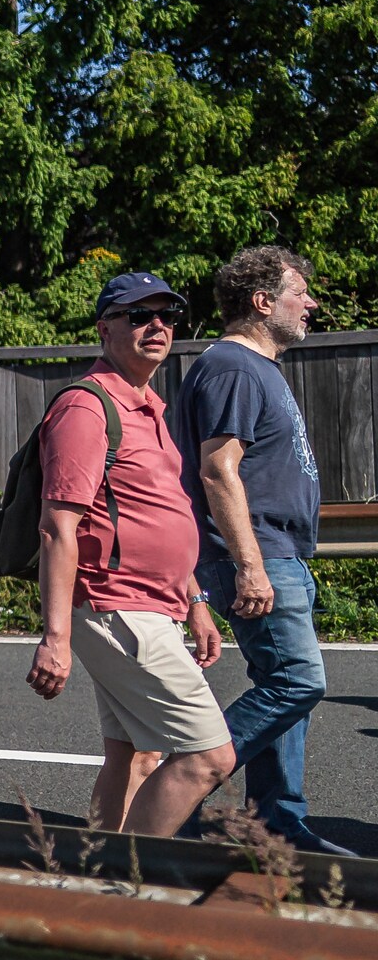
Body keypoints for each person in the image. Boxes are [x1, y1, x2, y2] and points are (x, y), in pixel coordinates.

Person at [29, 272, 235, 835]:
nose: (157, 326)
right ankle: (130, 883)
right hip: (115, 605)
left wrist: (195, 600)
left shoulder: (150, 408)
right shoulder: (87, 408)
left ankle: (95, 871)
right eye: (139, 316)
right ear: (104, 328)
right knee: (209, 756)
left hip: (153, 604)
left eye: (167, 316)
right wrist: (55, 638)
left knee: (134, 754)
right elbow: (57, 527)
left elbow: (161, 514)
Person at [172, 247, 347, 854]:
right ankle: (180, 785)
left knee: (281, 681)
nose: (312, 304)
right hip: (259, 553)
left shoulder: (257, 368)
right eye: (301, 292)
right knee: (298, 680)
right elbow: (218, 470)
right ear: (262, 301)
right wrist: (249, 564)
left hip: (278, 551)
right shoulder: (233, 368)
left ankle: (277, 822)